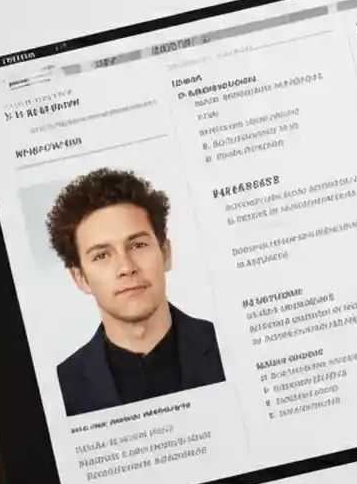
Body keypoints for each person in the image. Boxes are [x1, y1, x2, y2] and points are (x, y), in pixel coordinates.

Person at [47, 168, 225, 416]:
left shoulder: (229, 345)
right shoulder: (59, 389)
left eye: (138, 245)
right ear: (80, 278)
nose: (126, 267)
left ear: (165, 253)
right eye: (101, 255)